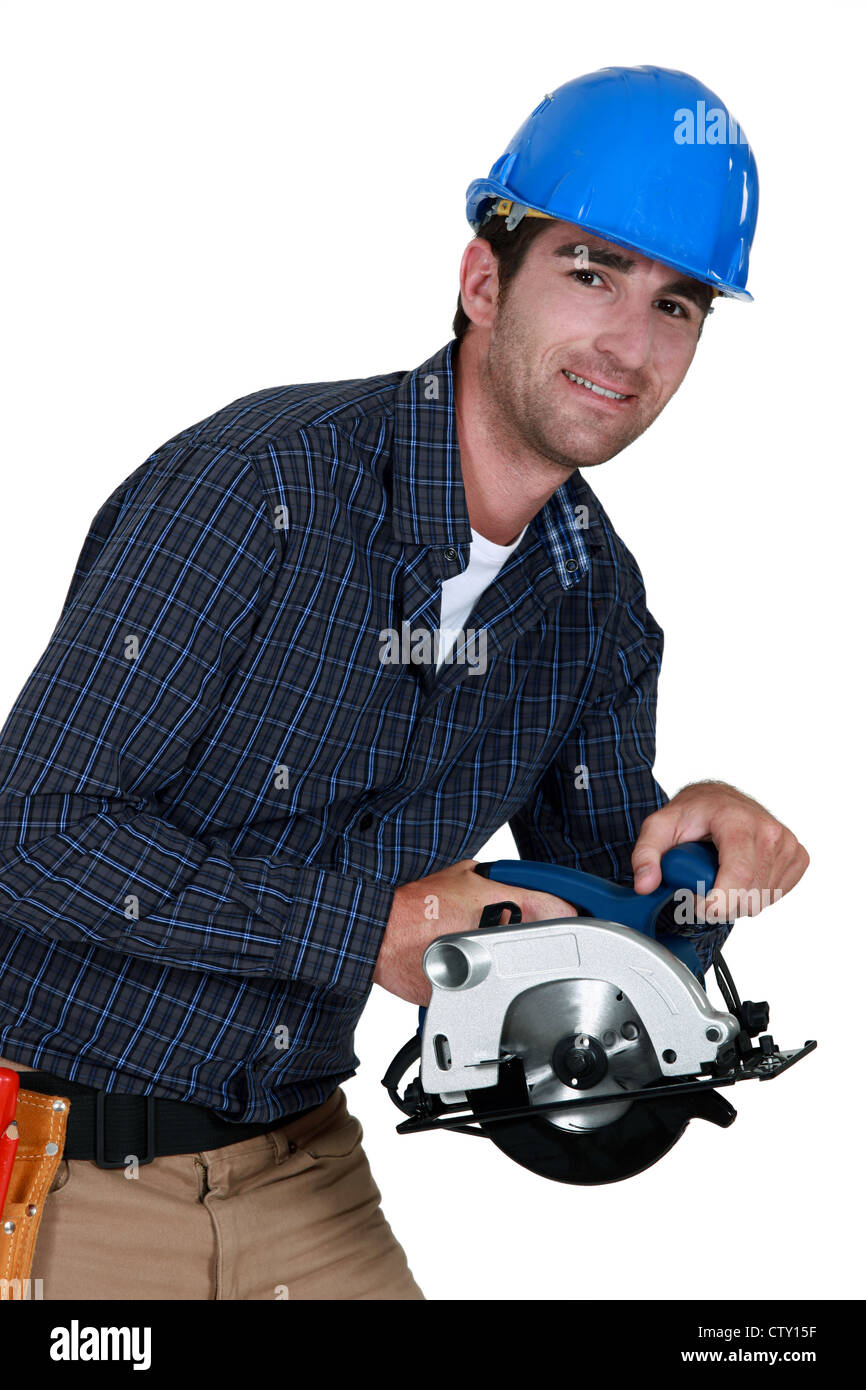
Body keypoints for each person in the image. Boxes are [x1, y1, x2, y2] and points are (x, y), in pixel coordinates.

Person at [0, 65, 808, 1301]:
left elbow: (590, 939)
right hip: (54, 1164)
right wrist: (371, 927)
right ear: (483, 280)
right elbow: (34, 835)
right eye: (589, 272)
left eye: (675, 305)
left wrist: (696, 868)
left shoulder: (593, 601)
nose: (627, 342)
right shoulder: (255, 491)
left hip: (302, 1170)